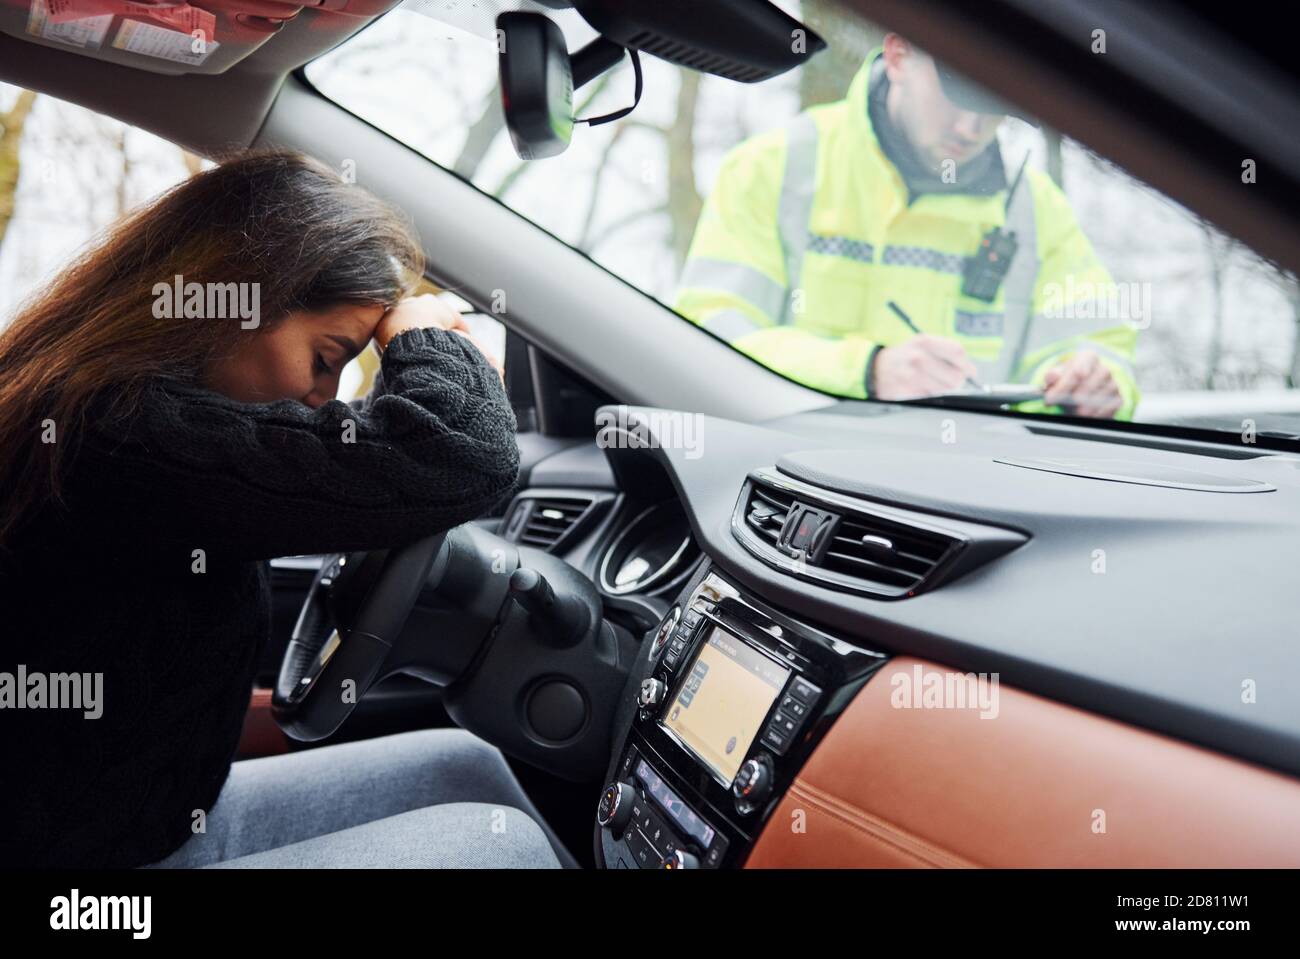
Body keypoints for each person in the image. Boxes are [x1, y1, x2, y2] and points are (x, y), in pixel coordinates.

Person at [0, 150, 566, 868]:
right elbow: (454, 456)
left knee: (462, 766)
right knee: (502, 852)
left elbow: (401, 458)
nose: (324, 399)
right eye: (326, 358)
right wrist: (424, 336)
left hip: (158, 829)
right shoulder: (119, 429)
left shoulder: (136, 411)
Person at [675, 33, 1138, 419]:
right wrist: (867, 371)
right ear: (898, 56)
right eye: (957, 96)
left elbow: (1098, 347)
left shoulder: (1038, 211)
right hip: (795, 483)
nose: (971, 127)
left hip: (976, 497)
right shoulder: (770, 168)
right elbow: (709, 340)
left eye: (994, 107)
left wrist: (1097, 382)